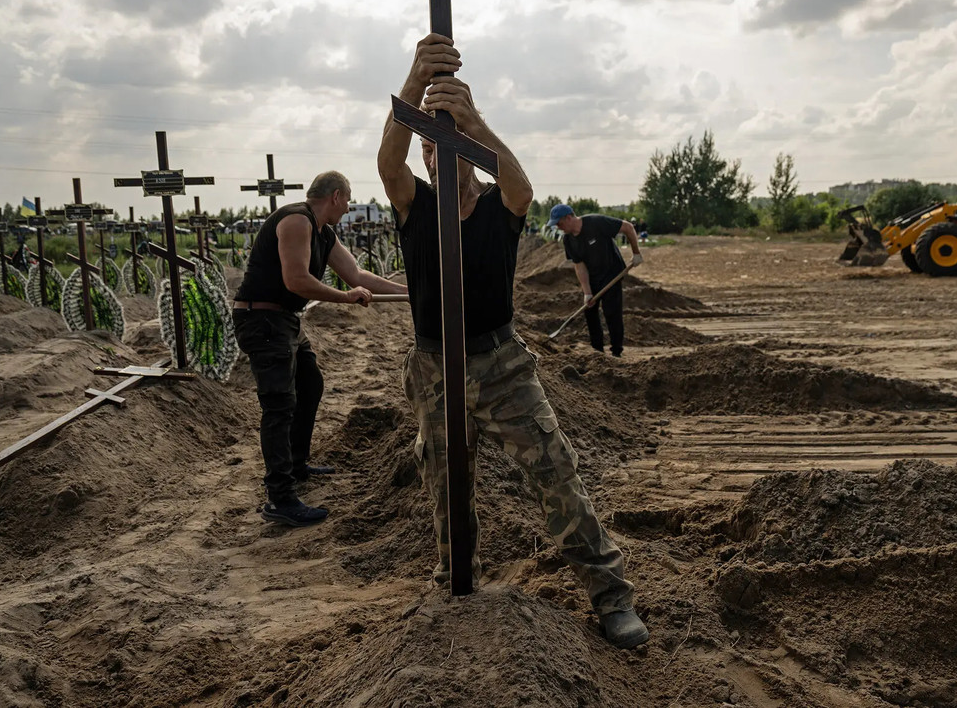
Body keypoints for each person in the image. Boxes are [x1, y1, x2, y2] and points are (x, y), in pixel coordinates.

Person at [376, 33, 649, 650]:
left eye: (454, 146)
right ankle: (455, 584)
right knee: (445, 480)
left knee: (555, 474)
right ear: (426, 159)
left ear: (469, 154)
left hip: (501, 363)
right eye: (431, 145)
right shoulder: (414, 207)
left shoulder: (502, 208)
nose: (442, 155)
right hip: (433, 364)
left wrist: (471, 119)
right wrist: (417, 79)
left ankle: (611, 597)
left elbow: (522, 182)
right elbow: (385, 165)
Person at [232, 171, 408, 527]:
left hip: (284, 322)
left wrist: (411, 294)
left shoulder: (323, 232)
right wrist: (344, 298)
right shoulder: (297, 220)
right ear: (336, 196)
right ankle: (279, 498)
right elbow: (295, 280)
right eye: (348, 199)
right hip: (263, 321)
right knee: (279, 405)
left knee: (310, 385)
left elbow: (357, 276)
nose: (348, 207)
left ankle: (296, 466)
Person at [548, 205, 642, 358]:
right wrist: (587, 292)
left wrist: (636, 253)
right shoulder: (568, 240)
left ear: (568, 218)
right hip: (592, 278)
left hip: (612, 273)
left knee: (612, 312)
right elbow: (579, 266)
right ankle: (597, 352)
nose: (558, 227)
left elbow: (628, 227)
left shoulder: (596, 222)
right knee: (590, 311)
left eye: (559, 223)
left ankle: (616, 352)